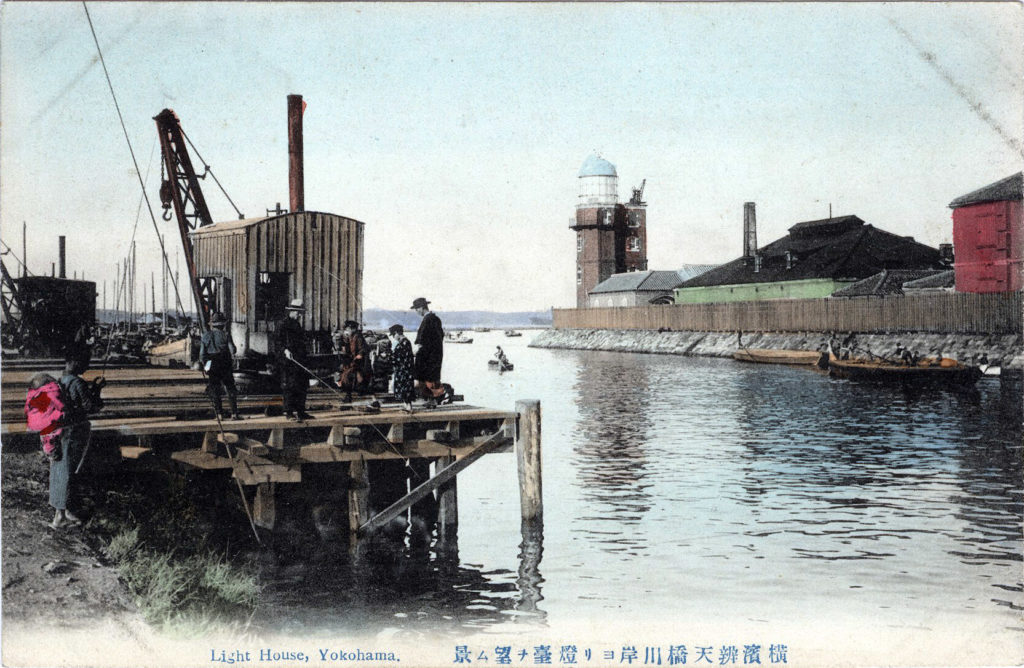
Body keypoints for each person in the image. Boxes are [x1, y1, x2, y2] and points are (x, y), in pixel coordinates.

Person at [50, 361, 104, 529]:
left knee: (59, 469)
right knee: (71, 471)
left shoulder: (61, 381)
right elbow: (91, 407)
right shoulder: (78, 383)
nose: (85, 364)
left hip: (60, 431)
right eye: (83, 360)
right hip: (74, 432)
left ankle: (62, 511)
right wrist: (98, 389)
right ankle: (60, 516)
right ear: (73, 362)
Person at [411, 297, 453, 407]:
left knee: (426, 378)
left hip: (427, 355)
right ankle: (433, 399)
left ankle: (439, 396)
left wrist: (417, 351)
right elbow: (439, 336)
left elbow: (423, 338)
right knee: (431, 377)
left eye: (416, 309)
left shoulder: (427, 319)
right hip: (435, 353)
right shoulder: (435, 319)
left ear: (421, 308)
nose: (416, 312)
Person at [200, 312, 240, 420]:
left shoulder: (205, 336)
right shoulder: (226, 335)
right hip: (224, 362)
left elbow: (202, 356)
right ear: (223, 324)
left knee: (214, 389)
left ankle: (219, 414)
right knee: (230, 388)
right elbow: (233, 350)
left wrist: (206, 368)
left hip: (211, 363)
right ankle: (234, 414)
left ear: (212, 324)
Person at [277, 298, 312, 421]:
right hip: (288, 361)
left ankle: (301, 411)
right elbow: (278, 342)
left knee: (301, 385)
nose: (299, 315)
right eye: (298, 313)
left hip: (299, 359)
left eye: (300, 313)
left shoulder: (297, 324)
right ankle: (288, 412)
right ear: (291, 311)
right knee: (289, 386)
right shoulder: (283, 324)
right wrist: (285, 350)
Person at [339, 319, 373, 402]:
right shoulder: (351, 337)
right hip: (354, 361)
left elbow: (363, 349)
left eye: (347, 329)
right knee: (346, 377)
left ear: (352, 329)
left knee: (356, 379)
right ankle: (348, 396)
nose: (346, 331)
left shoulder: (358, 336)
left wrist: (360, 355)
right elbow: (348, 350)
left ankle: (373, 399)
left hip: (361, 363)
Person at [388, 324, 415, 412]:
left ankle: (408, 407)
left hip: (404, 370)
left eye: (393, 335)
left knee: (405, 388)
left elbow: (399, 356)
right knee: (403, 388)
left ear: (396, 333)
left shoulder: (404, 342)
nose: (393, 337)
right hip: (403, 369)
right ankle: (406, 405)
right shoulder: (404, 342)